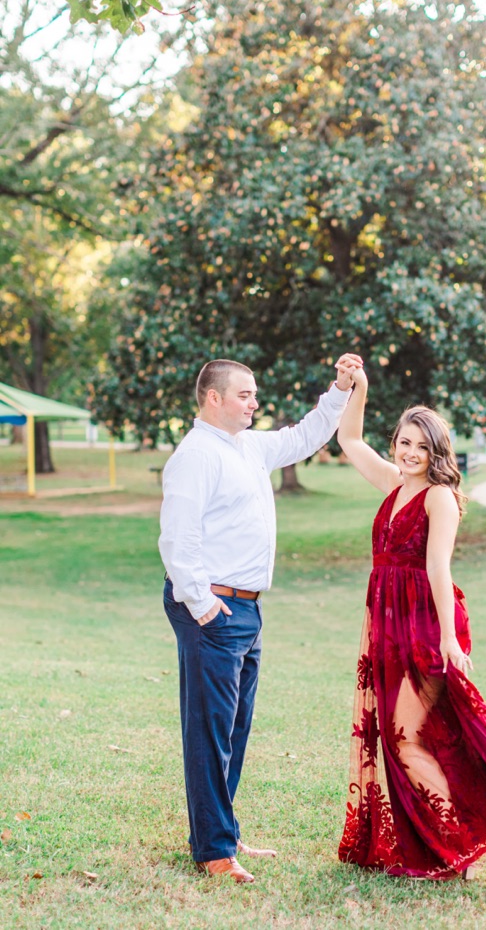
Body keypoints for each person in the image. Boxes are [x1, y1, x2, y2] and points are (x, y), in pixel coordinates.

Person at [160, 353, 362, 884]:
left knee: (235, 727)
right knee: (210, 730)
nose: (254, 403)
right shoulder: (196, 456)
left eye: (253, 395)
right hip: (215, 609)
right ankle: (213, 851)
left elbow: (307, 434)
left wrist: (340, 389)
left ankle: (220, 829)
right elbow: (178, 539)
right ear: (214, 399)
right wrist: (203, 605)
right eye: (245, 395)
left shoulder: (248, 446)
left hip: (246, 608)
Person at [334, 364, 486, 879]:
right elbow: (349, 438)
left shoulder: (439, 497)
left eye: (419, 447)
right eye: (403, 443)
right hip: (386, 621)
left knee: (407, 735)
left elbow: (438, 567)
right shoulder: (392, 482)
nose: (408, 453)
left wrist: (449, 638)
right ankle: (442, 841)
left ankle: (457, 844)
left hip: (424, 623)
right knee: (403, 737)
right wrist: (360, 389)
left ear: (435, 453)